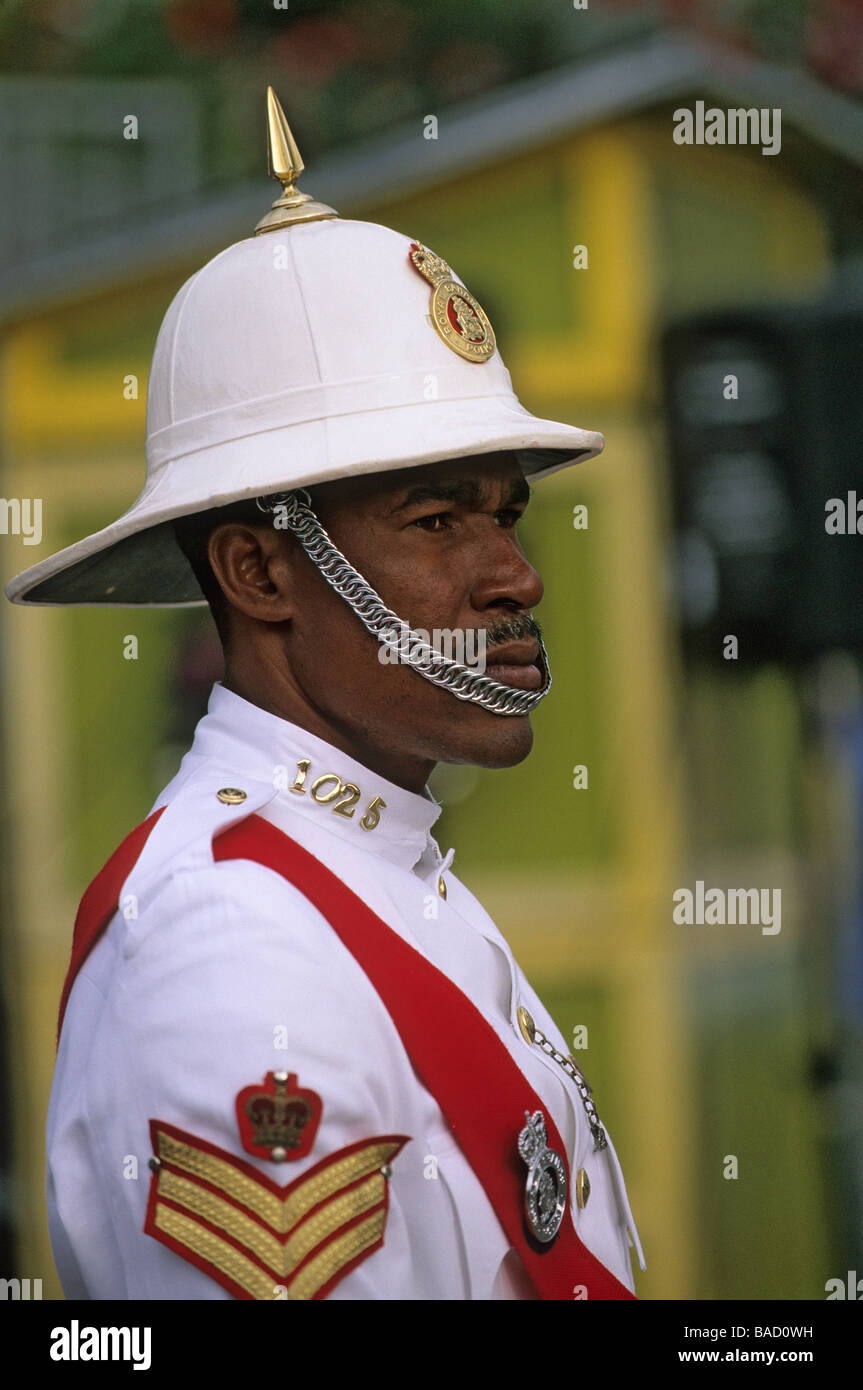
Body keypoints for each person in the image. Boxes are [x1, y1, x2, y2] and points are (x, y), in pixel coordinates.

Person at [6, 89, 645, 1300]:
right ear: (258, 571)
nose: (516, 575)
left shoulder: (369, 863)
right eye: (436, 519)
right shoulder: (232, 950)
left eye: (503, 514)